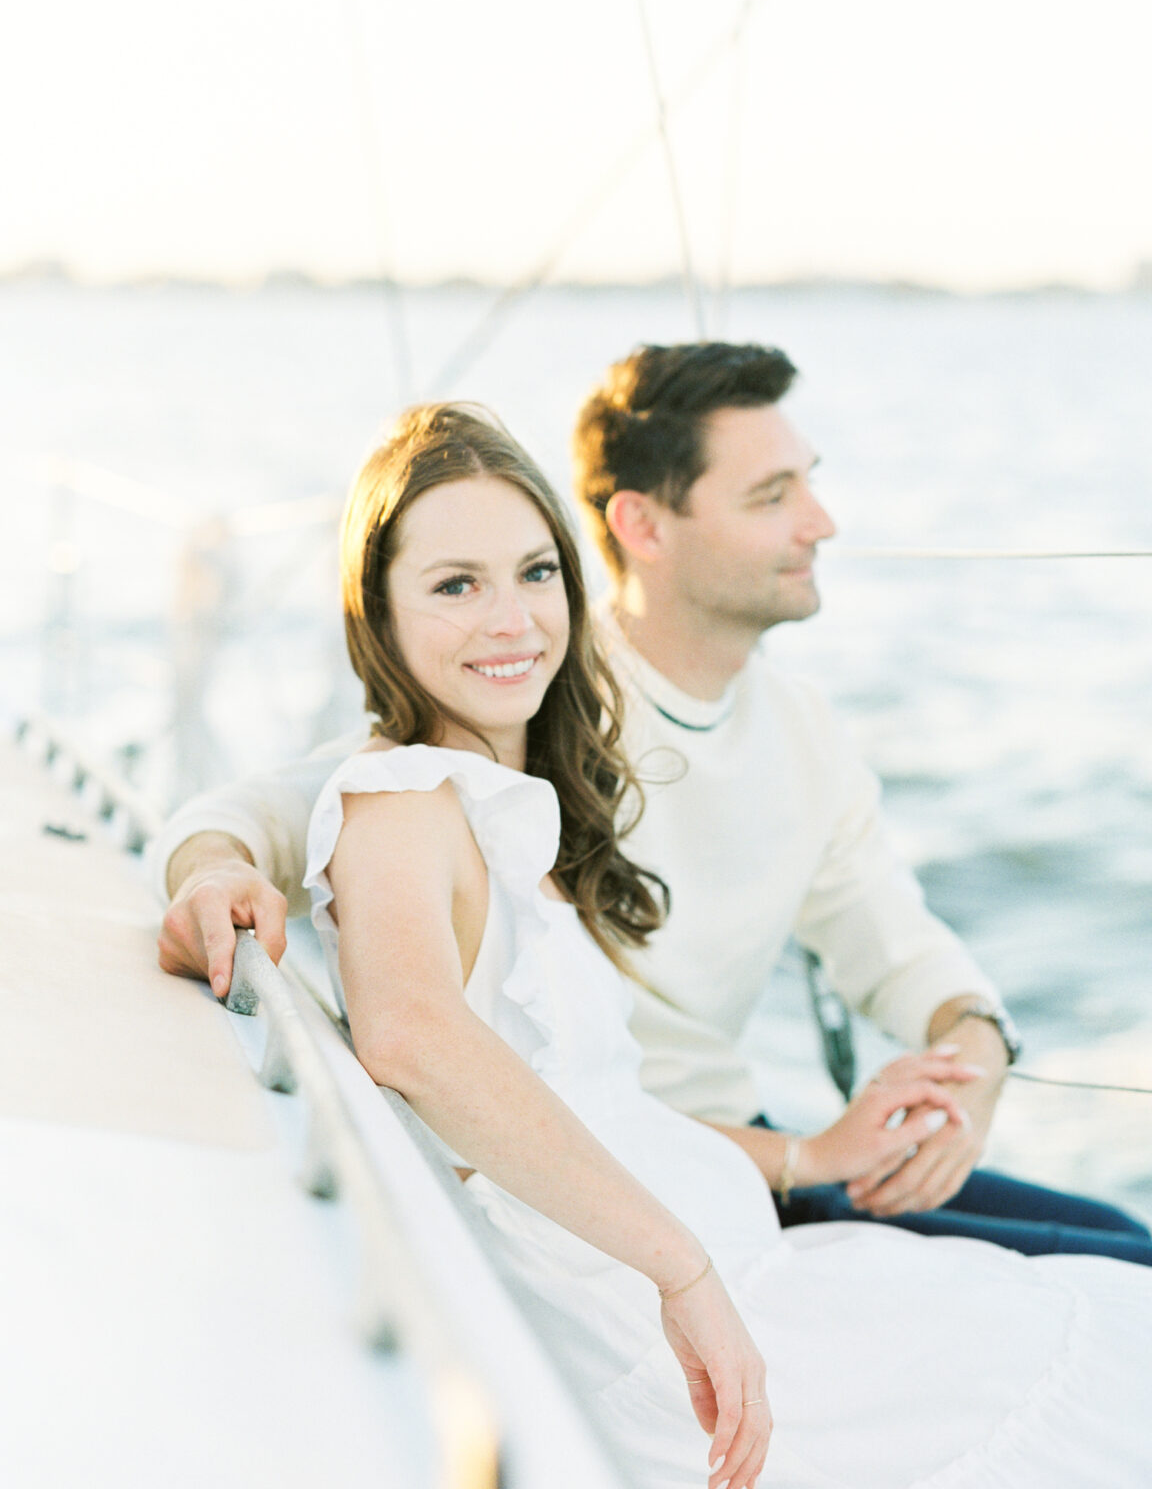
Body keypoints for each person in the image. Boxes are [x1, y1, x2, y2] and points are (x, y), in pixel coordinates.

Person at [303, 400, 1152, 1489]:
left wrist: (812, 1157)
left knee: (1108, 1297)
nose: (510, 618)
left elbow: (600, 1107)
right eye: (455, 585)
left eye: (535, 572)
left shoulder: (509, 800)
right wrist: (684, 1270)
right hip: (662, 1315)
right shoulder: (404, 801)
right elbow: (412, 1034)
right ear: (376, 609)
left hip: (731, 1248)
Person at [155, 342, 1152, 1264]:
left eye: (812, 483)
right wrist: (215, 870)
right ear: (642, 524)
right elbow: (283, 808)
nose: (822, 521)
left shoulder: (800, 726)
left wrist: (974, 1053)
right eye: (774, 494)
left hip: (746, 1159)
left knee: (1116, 1237)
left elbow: (892, 939)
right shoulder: (527, 686)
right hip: (644, 1181)